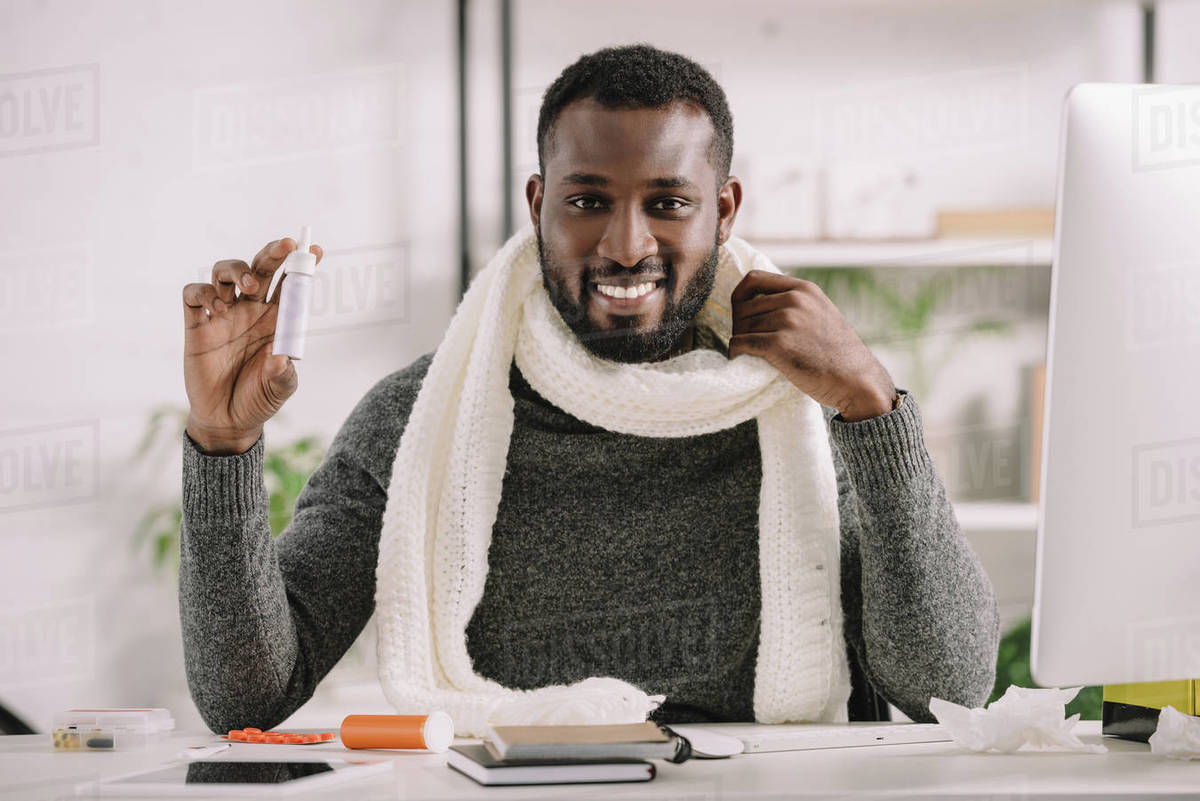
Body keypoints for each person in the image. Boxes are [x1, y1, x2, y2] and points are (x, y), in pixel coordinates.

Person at [179, 44, 999, 736]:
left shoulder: (813, 405)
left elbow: (948, 688)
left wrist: (871, 403)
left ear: (724, 210)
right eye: (588, 201)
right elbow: (246, 697)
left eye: (668, 203)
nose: (625, 243)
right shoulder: (420, 414)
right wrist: (223, 444)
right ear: (539, 205)